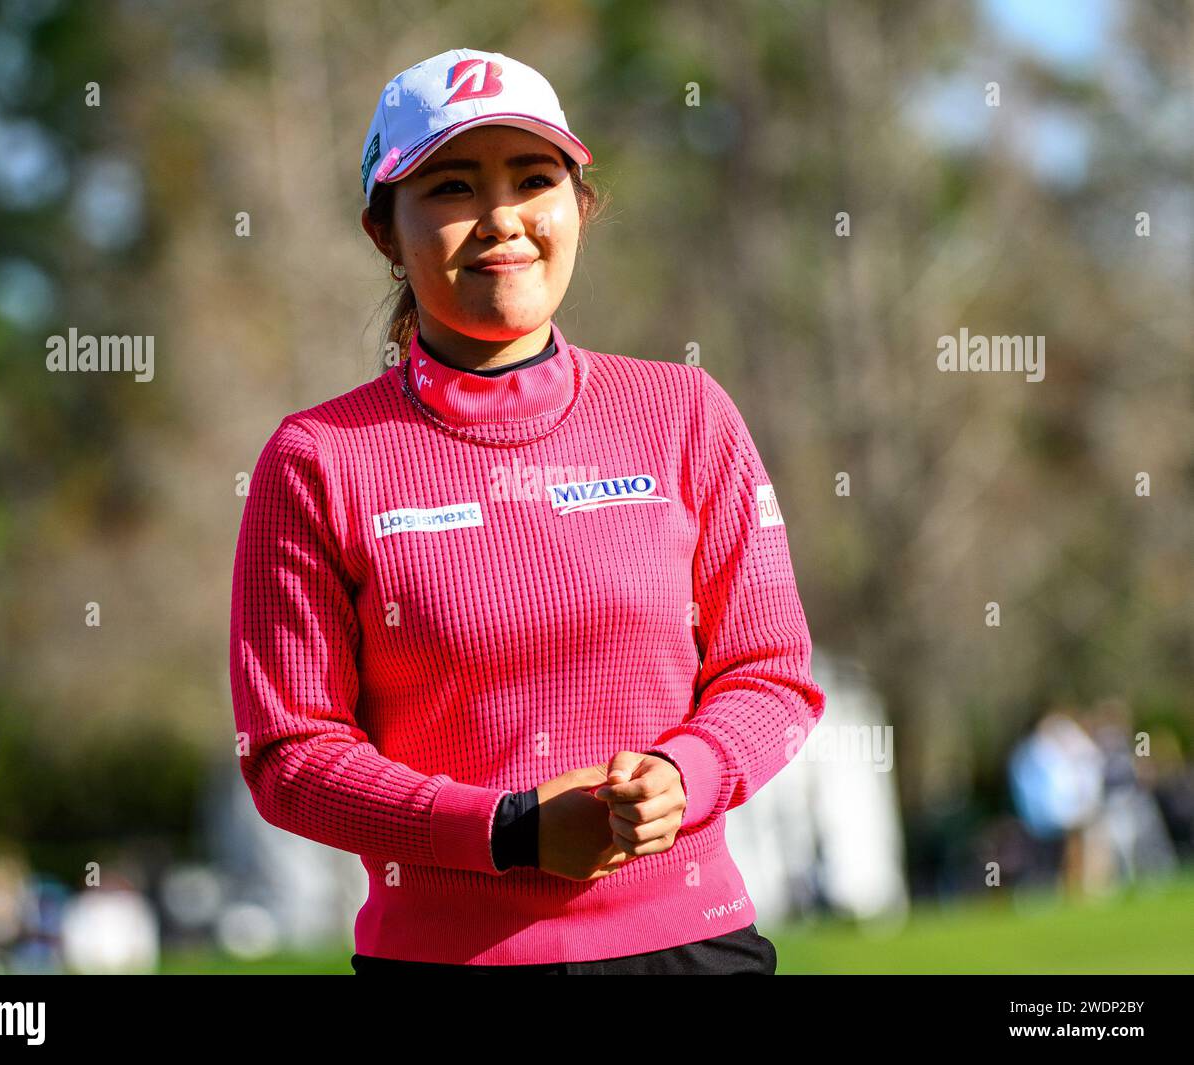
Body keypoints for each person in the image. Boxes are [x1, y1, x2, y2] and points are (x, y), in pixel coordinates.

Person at [227, 47, 826, 974]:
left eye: (534, 178)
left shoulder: (685, 414)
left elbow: (774, 674)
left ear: (580, 208)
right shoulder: (316, 460)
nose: (502, 219)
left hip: (688, 944)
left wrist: (680, 777)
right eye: (453, 187)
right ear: (383, 232)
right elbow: (289, 754)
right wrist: (510, 831)